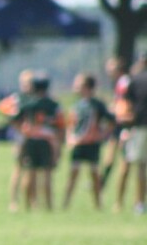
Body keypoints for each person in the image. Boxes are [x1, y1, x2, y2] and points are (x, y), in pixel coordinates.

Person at [63, 73, 114, 210]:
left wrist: (102, 135)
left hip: (92, 144)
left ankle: (98, 204)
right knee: (73, 173)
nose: (75, 87)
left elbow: (111, 122)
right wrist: (69, 137)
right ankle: (65, 204)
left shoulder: (97, 105)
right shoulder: (77, 105)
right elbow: (71, 123)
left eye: (78, 85)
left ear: (86, 87)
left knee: (94, 175)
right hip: (78, 143)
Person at [14, 73, 64, 211]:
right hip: (47, 141)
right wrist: (59, 145)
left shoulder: (28, 103)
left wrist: (24, 131)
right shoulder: (53, 105)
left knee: (30, 173)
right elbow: (60, 125)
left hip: (30, 140)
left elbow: (16, 119)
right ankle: (48, 205)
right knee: (47, 174)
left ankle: (29, 204)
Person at [0, 69, 34, 212]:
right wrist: (20, 128)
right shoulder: (17, 98)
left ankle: (30, 201)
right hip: (21, 137)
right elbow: (5, 110)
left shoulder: (35, 97)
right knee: (19, 168)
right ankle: (14, 201)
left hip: (34, 136)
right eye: (25, 83)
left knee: (31, 170)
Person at [116, 56, 147, 214]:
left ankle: (137, 204)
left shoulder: (133, 80)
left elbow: (125, 105)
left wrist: (125, 125)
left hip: (138, 126)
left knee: (137, 164)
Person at [101, 56, 132, 190]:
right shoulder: (119, 82)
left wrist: (118, 111)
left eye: (110, 68)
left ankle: (107, 186)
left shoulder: (125, 82)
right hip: (118, 122)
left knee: (124, 158)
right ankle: (101, 183)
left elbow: (127, 102)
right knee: (110, 155)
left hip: (124, 123)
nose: (108, 71)